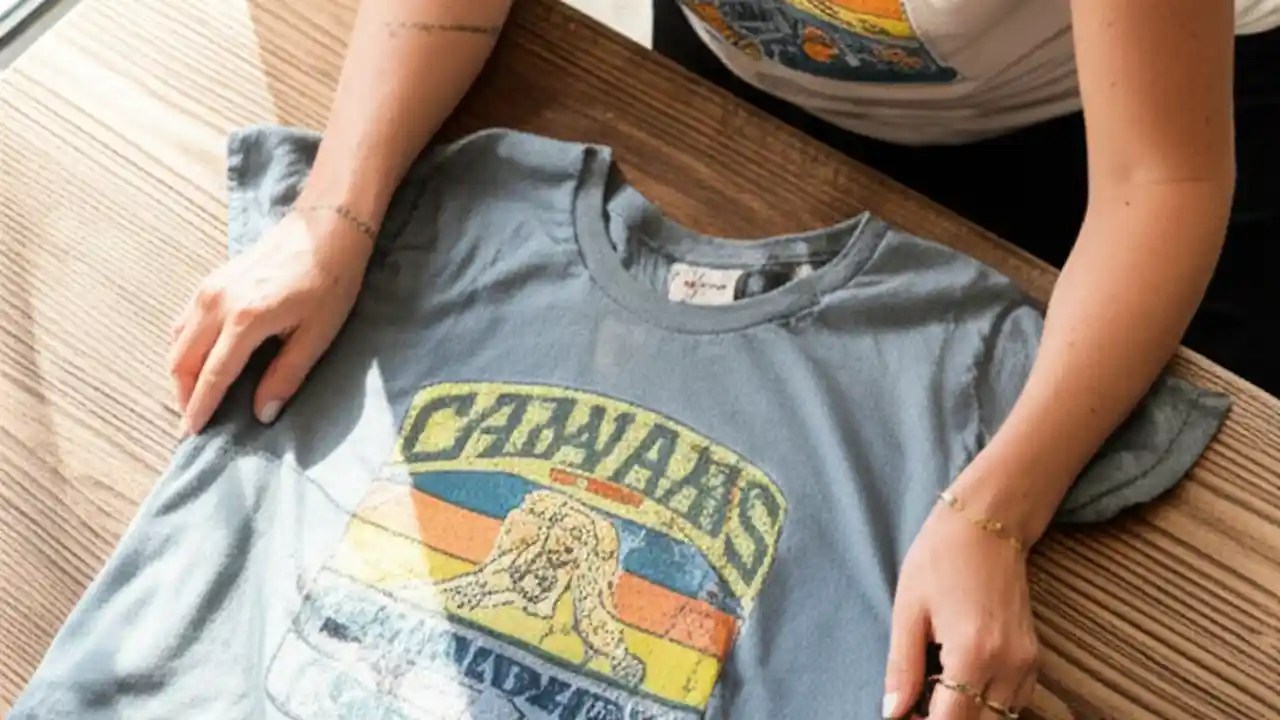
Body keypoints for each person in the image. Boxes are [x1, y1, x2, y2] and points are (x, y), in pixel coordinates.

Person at [165, 1, 1277, 717]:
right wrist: (337, 211)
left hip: (1086, 144)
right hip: (741, 87)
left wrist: (996, 506)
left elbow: (1161, 182)